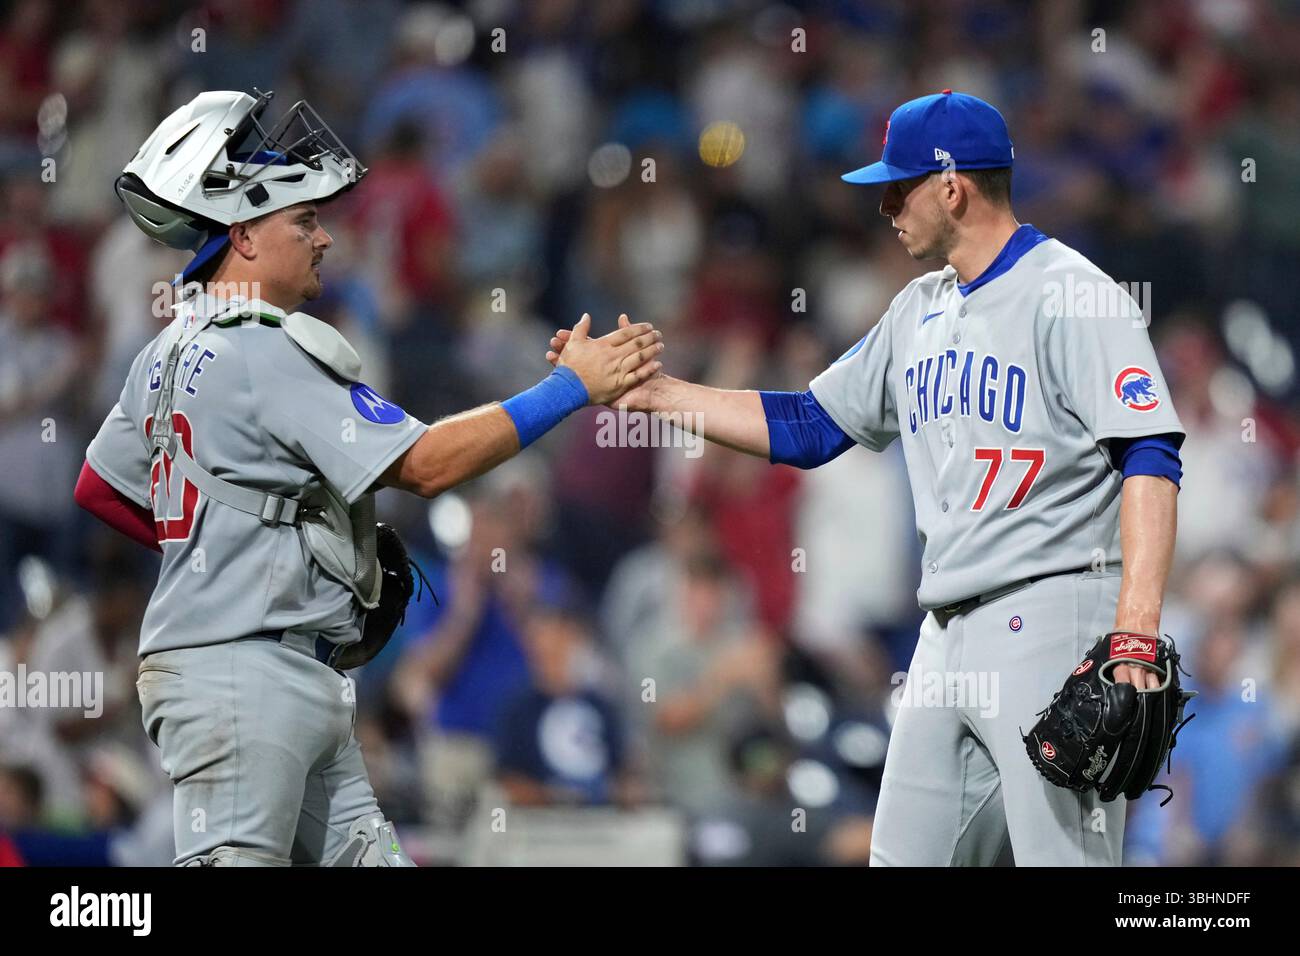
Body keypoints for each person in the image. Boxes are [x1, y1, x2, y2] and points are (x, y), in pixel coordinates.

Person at [549, 91, 1185, 866]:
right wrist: (652, 394)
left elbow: (1150, 451)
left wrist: (1136, 631)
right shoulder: (917, 309)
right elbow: (812, 426)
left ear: (952, 187)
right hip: (944, 627)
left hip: (1051, 606)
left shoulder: (1071, 292)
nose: (884, 204)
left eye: (899, 185)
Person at [73, 89, 662, 867]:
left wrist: (229, 548)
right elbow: (427, 466)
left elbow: (101, 487)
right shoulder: (266, 345)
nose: (323, 238)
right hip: (243, 677)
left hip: (283, 671)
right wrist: (571, 389)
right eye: (303, 220)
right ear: (243, 234)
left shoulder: (165, 351)